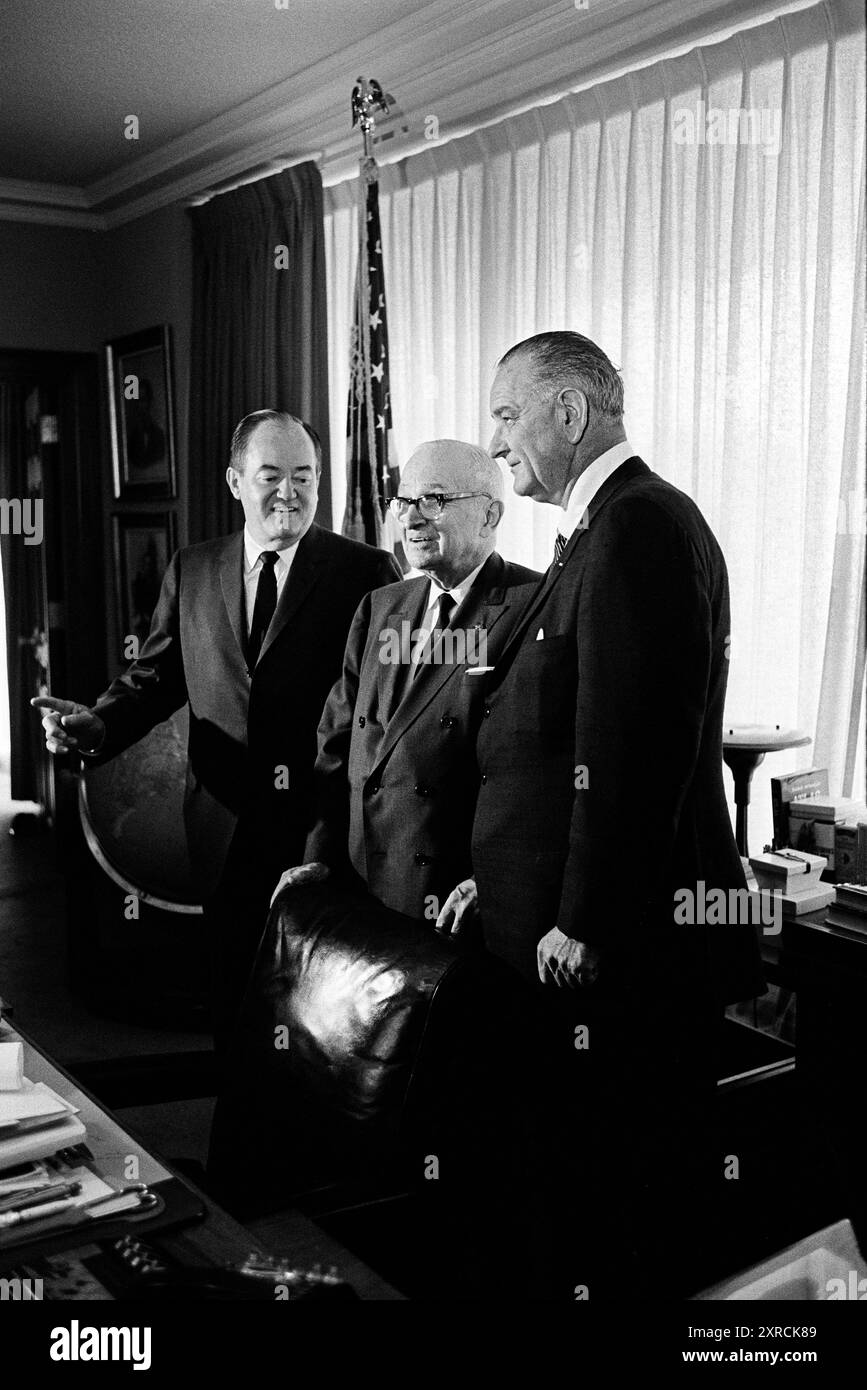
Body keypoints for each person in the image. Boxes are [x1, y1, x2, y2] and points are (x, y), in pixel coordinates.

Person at [441, 330, 765, 1296]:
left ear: (568, 413)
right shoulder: (599, 529)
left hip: (620, 953)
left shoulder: (639, 527)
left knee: (626, 1202)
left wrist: (583, 920)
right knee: (576, 1188)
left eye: (507, 415)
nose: (495, 443)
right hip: (567, 938)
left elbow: (631, 751)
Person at [33, 410, 400, 1045]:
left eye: (304, 477)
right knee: (233, 1009)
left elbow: (382, 709)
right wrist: (93, 725)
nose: (289, 493)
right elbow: (152, 679)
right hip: (220, 827)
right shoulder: (193, 568)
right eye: (270, 476)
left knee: (321, 1022)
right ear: (234, 482)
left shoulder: (366, 573)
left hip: (321, 831)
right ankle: (236, 1140)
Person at [273, 440, 540, 925]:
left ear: (490, 515)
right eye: (403, 502)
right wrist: (318, 855)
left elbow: (536, 771)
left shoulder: (531, 606)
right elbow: (335, 746)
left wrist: (497, 879)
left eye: (433, 501)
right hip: (360, 889)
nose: (411, 520)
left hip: (456, 904)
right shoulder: (381, 606)